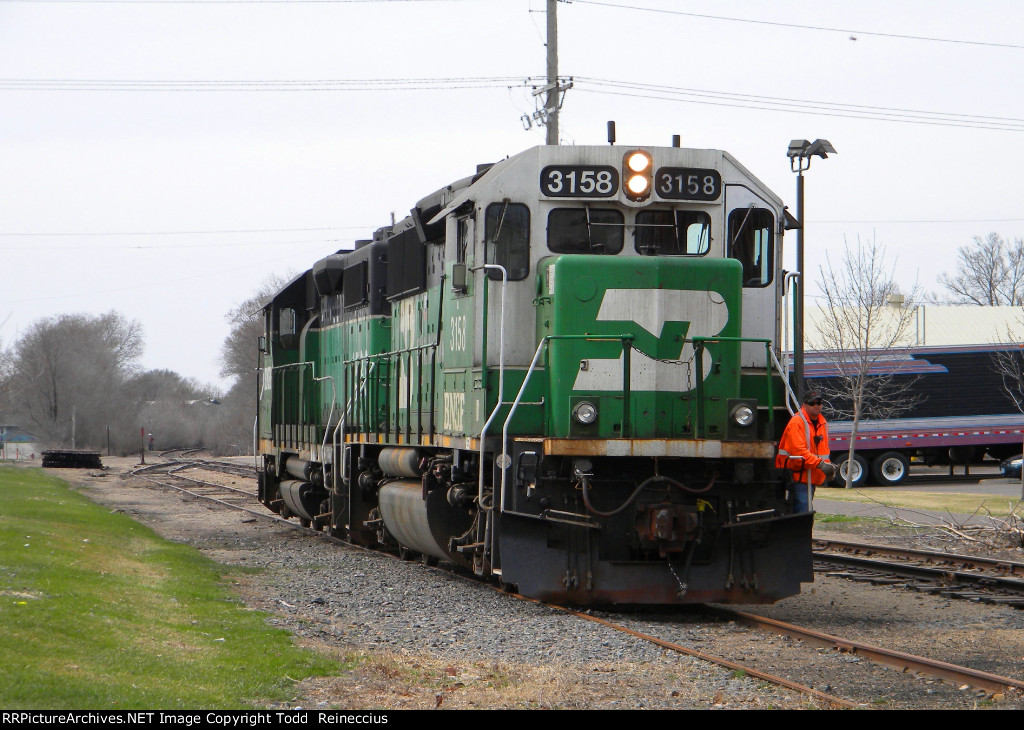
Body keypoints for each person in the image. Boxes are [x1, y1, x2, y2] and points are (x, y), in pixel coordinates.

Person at [776, 391, 836, 512]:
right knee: (803, 511)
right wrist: (821, 465)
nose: (816, 405)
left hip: (810, 476)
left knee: (805, 510)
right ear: (804, 405)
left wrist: (827, 469)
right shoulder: (797, 422)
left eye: (819, 402)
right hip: (797, 476)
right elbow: (798, 452)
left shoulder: (822, 423)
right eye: (812, 403)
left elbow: (823, 451)